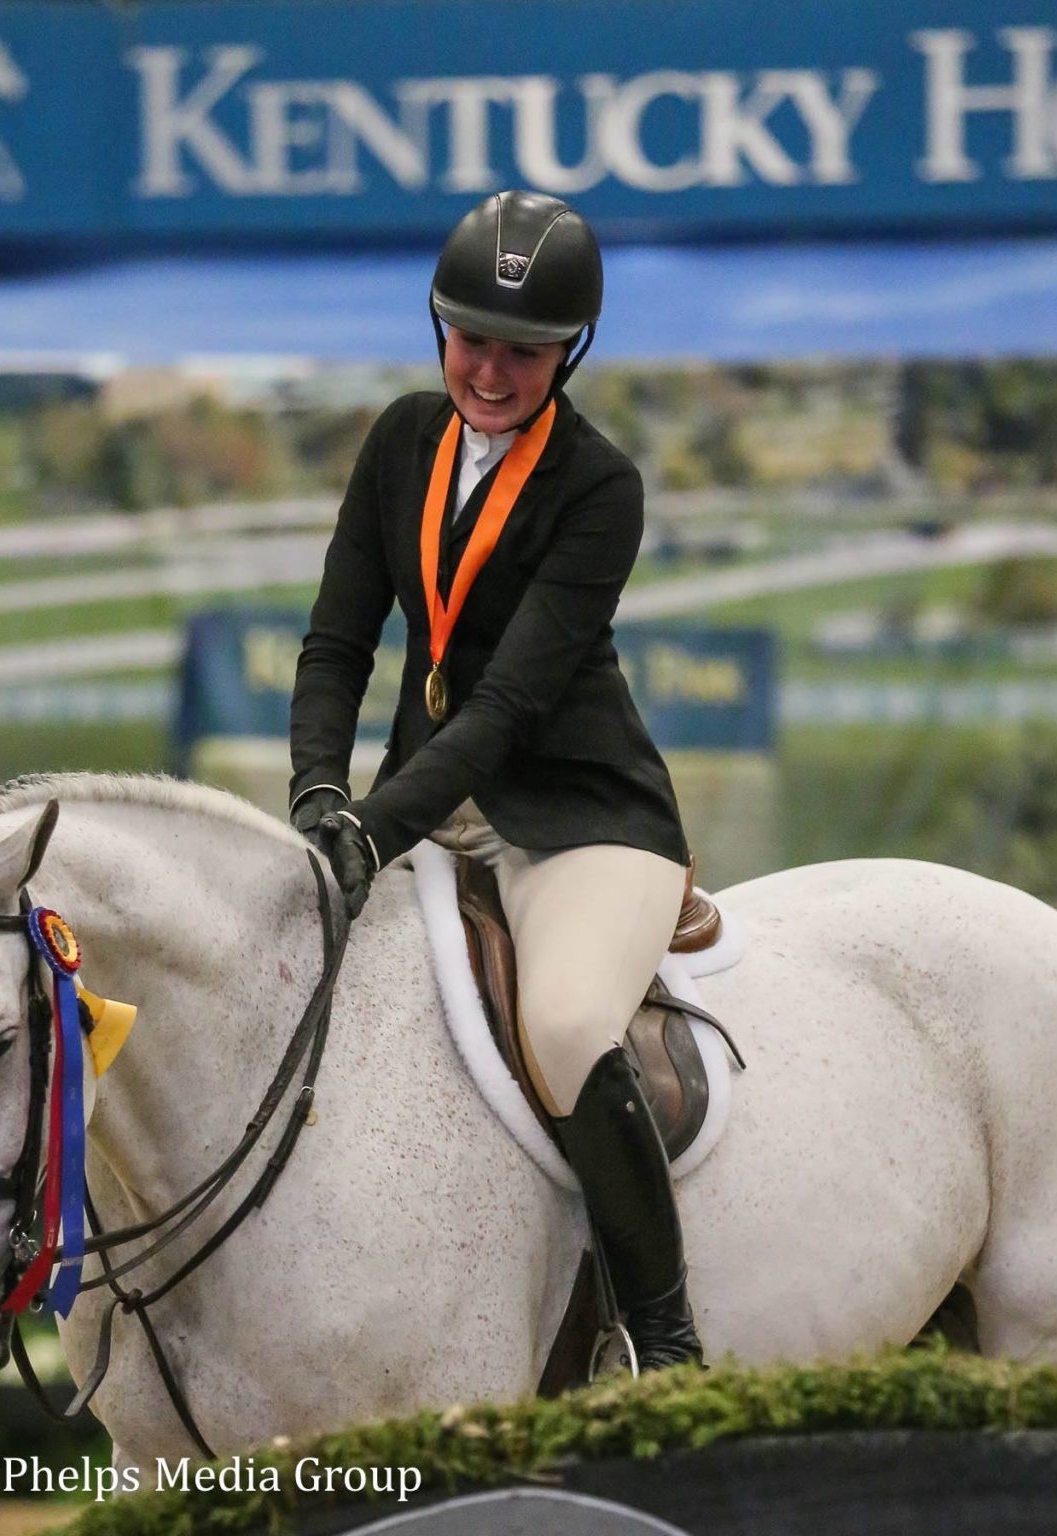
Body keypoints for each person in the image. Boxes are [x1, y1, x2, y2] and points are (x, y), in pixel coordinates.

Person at [288, 190, 700, 1372]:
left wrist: (373, 828)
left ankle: (662, 1346)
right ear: (437, 326)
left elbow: (511, 709)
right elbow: (335, 645)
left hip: (581, 818)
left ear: (569, 351)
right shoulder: (399, 442)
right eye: (473, 338)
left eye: (525, 350)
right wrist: (321, 795)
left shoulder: (598, 487)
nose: (493, 370)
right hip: (424, 803)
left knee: (568, 1025)